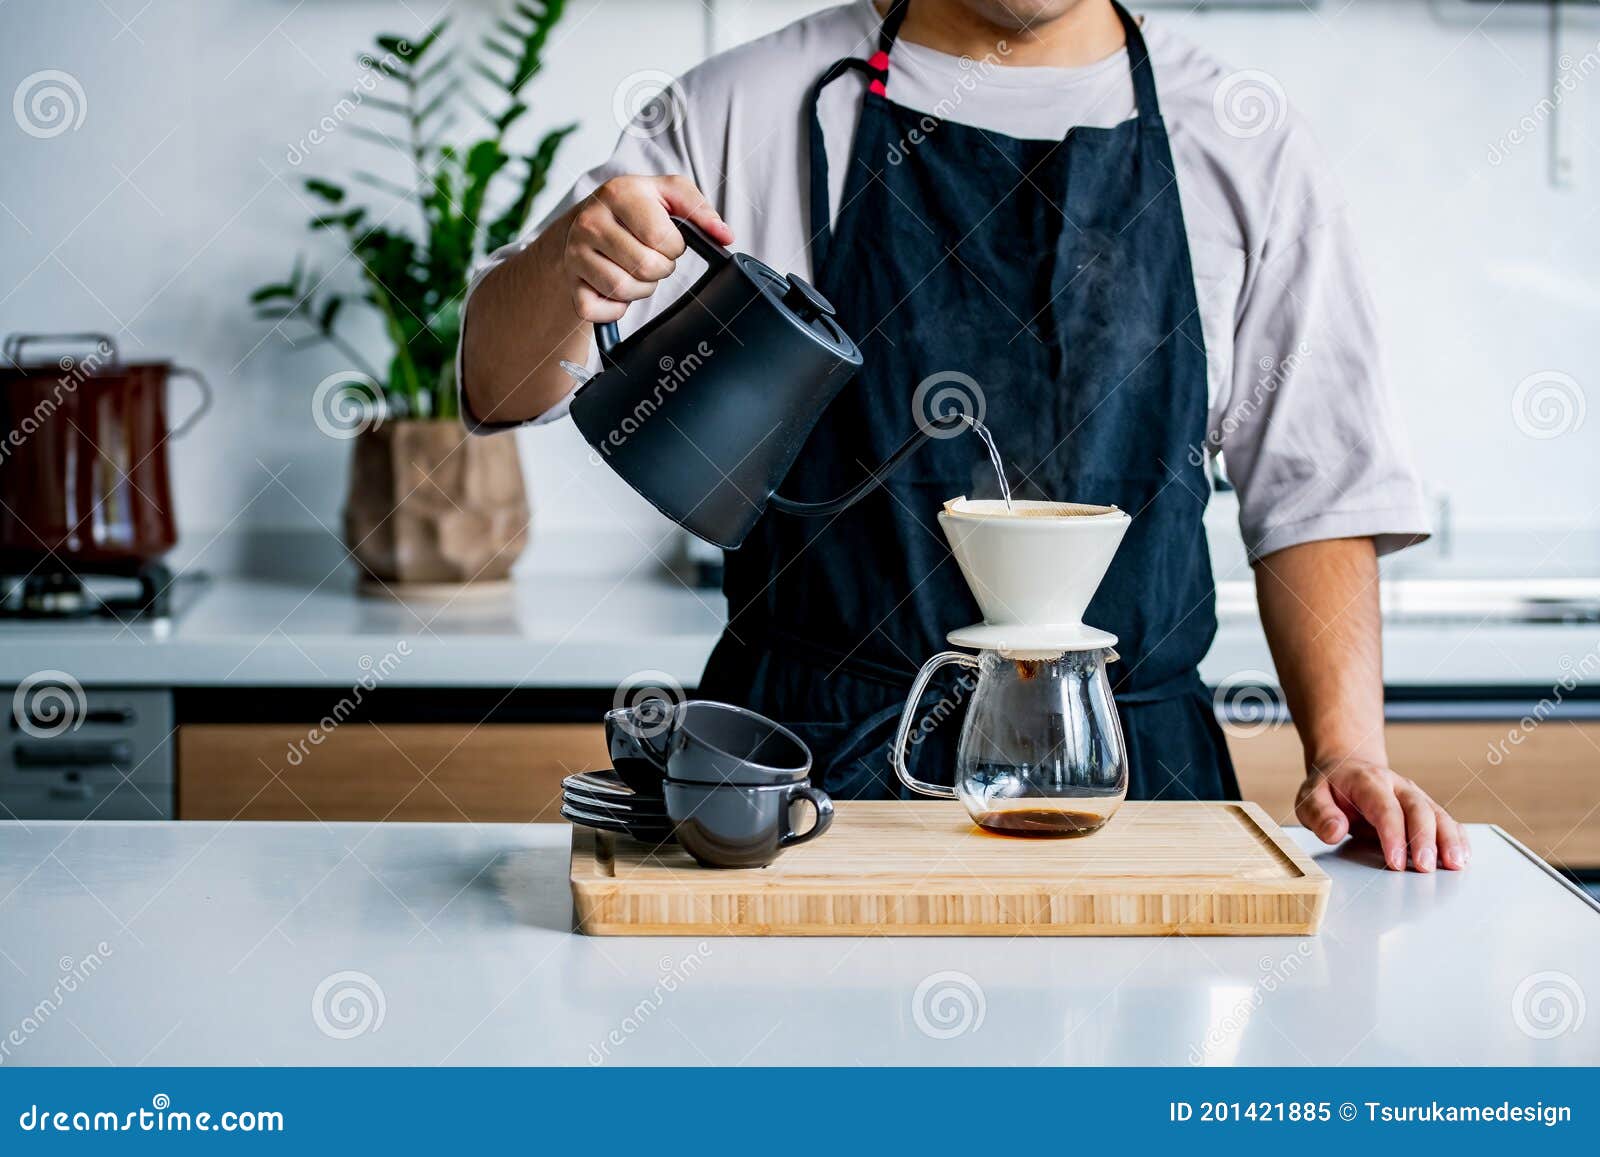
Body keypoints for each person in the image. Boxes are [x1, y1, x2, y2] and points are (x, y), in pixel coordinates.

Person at [459, 0, 1469, 872]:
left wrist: (1346, 752)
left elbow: (1316, 490)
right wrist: (564, 261)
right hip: (808, 793)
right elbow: (499, 387)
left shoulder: (1242, 137)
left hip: (1130, 792)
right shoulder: (746, 108)